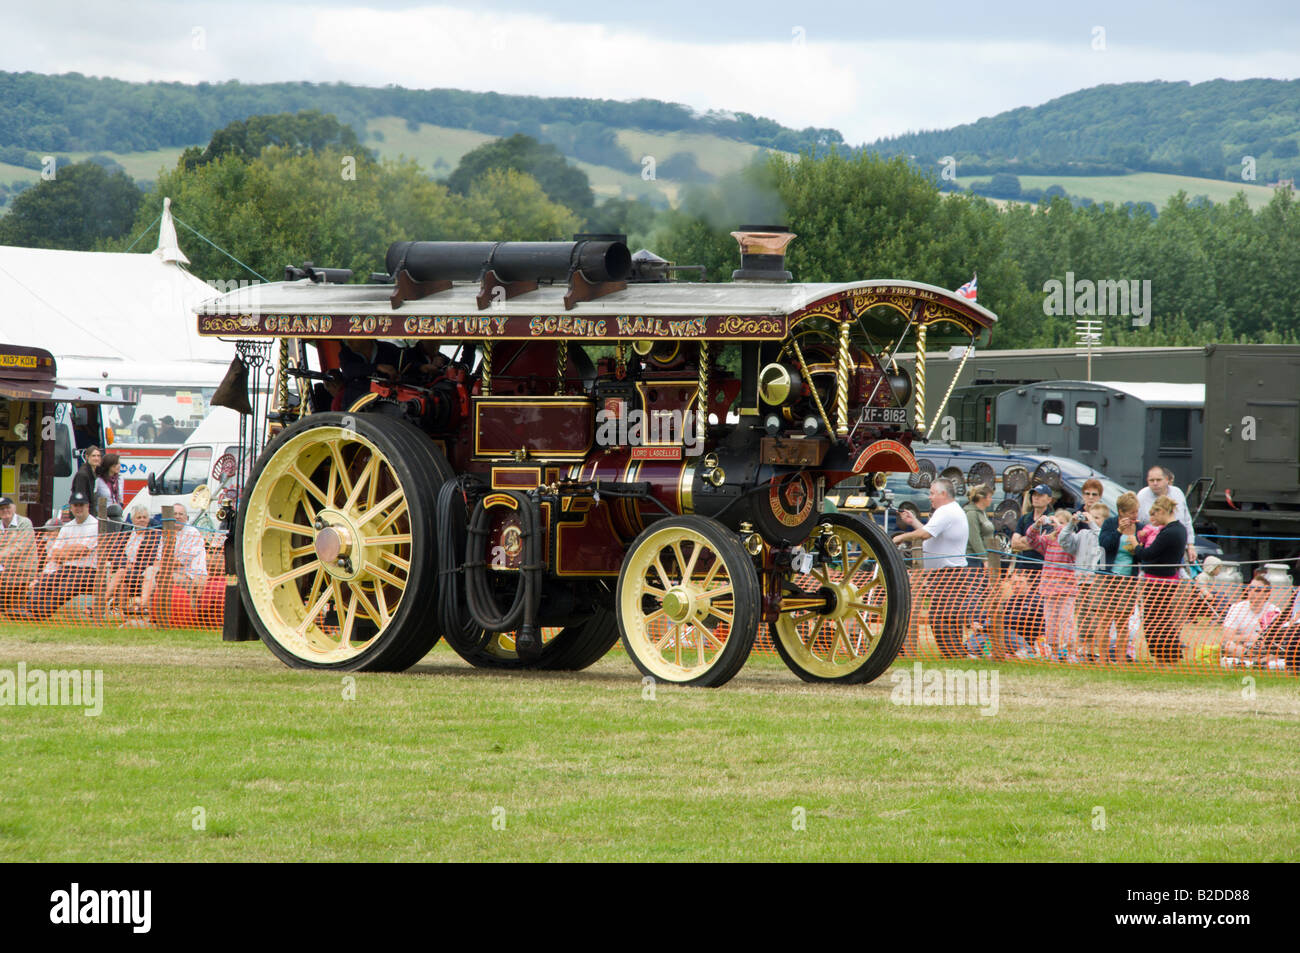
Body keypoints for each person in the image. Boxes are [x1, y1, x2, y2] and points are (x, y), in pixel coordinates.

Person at [893, 478, 969, 658]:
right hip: (944, 575)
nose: (930, 497)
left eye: (932, 493)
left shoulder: (946, 511)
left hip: (949, 576)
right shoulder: (948, 511)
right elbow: (932, 533)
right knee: (947, 618)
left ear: (944, 494)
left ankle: (955, 656)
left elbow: (926, 534)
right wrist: (913, 522)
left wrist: (901, 538)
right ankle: (954, 656)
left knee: (940, 618)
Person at [1125, 494, 1188, 664]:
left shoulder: (1169, 532)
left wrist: (1133, 541)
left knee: (1155, 621)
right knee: (1163, 619)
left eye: (1154, 514)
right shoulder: (1179, 529)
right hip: (1167, 579)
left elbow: (1147, 554)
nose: (1152, 518)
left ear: (1162, 511)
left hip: (1158, 582)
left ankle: (1163, 656)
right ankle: (1168, 657)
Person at [19, 491, 98, 621]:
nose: (78, 508)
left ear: (87, 506)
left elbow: (83, 550)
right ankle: (29, 610)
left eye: (81, 505)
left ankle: (39, 614)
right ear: (71, 507)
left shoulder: (94, 525)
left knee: (61, 590)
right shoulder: (67, 527)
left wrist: (66, 550)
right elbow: (54, 553)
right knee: (42, 585)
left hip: (87, 571)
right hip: (66, 568)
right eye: (75, 505)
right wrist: (71, 551)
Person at [1027, 509, 1080, 660]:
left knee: (1066, 621)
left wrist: (1059, 525)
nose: (1058, 527)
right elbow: (1031, 538)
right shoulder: (1048, 541)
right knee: (1051, 622)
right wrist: (1037, 525)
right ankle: (1054, 653)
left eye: (1063, 523)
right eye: (1056, 522)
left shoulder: (1071, 542)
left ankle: (1070, 653)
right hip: (1049, 589)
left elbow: (1065, 536)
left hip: (1067, 589)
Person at [1062, 501, 1110, 661]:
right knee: (1082, 617)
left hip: (1096, 582)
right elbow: (1064, 542)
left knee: (1095, 617)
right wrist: (1071, 524)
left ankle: (1095, 650)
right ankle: (1084, 649)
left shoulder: (1103, 533)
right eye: (1092, 516)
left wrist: (1092, 523)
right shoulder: (1082, 535)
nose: (1092, 520)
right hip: (1081, 581)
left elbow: (1102, 538)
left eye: (1097, 518)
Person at [141, 504, 209, 609]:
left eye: (180, 514)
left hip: (192, 579)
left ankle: (144, 606)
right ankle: (145, 608)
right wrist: (162, 564)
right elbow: (158, 559)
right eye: (175, 514)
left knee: (156, 574)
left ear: (186, 518)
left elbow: (179, 562)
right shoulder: (167, 533)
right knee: (151, 571)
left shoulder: (192, 533)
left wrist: (162, 564)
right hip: (172, 573)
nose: (177, 517)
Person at [104, 504, 161, 617]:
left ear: (148, 519)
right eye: (139, 517)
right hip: (127, 570)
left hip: (144, 571)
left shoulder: (155, 534)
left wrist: (134, 565)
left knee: (123, 574)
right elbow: (115, 551)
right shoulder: (126, 532)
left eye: (145, 517)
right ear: (133, 519)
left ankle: (142, 607)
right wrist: (126, 564)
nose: (142, 520)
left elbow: (153, 556)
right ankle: (109, 605)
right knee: (121, 575)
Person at [1137, 466, 1197, 565]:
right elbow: (1137, 523)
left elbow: (1186, 521)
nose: (1155, 483)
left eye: (1158, 480)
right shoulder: (1142, 496)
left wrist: (1190, 545)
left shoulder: (1177, 493)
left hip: (1176, 549)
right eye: (1152, 480)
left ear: (1167, 480)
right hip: (1151, 549)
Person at [1220, 579, 1282, 664]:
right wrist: (1249, 637)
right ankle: (1256, 661)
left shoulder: (1275, 610)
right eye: (1250, 589)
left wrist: (1265, 641)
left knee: (1281, 649)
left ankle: (1255, 661)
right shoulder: (1236, 608)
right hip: (1243, 648)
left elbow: (1281, 638)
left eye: (1257, 590)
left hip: (1265, 648)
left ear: (1267, 593)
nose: (1252, 592)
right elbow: (1227, 635)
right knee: (1228, 645)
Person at [0, 496, 37, 610]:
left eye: (8, 507)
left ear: (14, 508)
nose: (5, 510)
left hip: (22, 573)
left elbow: (20, 548)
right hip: (4, 573)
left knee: (15, 609)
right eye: (2, 508)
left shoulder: (25, 523)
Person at [1010, 484, 1055, 574]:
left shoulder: (1052, 520)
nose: (1036, 498)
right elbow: (1014, 544)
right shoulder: (1025, 518)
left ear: (1049, 499)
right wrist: (1037, 541)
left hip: (1041, 569)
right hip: (1021, 569)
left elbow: (1048, 544)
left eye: (1040, 495)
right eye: (1034, 495)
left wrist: (1024, 540)